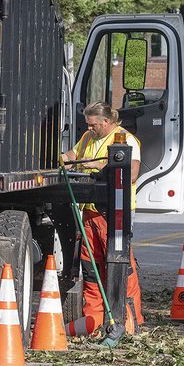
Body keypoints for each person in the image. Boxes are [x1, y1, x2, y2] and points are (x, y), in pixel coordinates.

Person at [61, 101, 145, 335]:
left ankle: (129, 321)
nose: (89, 129)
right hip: (90, 211)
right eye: (87, 125)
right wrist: (64, 158)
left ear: (106, 121)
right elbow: (74, 153)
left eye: (93, 124)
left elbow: (131, 173)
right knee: (91, 266)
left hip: (113, 212)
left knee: (119, 266)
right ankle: (95, 320)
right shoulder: (89, 138)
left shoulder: (125, 140)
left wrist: (94, 165)